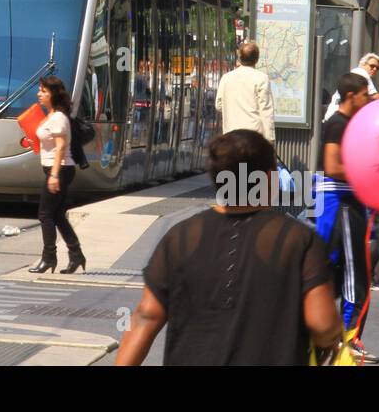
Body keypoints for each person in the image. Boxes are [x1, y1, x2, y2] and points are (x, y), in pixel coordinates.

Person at [116, 129, 343, 365]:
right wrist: (331, 337)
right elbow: (322, 323)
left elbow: (146, 316)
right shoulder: (300, 240)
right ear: (267, 177)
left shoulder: (179, 237)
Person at [314, 71, 377, 363]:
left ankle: (334, 338)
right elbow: (331, 165)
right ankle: (348, 341)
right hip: (339, 203)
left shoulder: (349, 124)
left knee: (335, 275)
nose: (368, 99)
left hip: (345, 202)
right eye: (365, 94)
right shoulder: (338, 125)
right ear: (352, 96)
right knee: (355, 277)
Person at [28, 76, 85, 275]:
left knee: (45, 214)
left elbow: (61, 147)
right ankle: (76, 255)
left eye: (43, 91)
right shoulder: (50, 115)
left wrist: (53, 176)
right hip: (55, 168)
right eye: (40, 90)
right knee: (58, 215)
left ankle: (49, 257)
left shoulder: (59, 117)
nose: (39, 94)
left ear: (53, 94)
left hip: (59, 169)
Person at [214, 41, 276, 143]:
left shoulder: (226, 78)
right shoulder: (261, 78)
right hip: (253, 137)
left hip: (231, 135)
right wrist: (270, 139)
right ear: (256, 59)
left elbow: (219, 105)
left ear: (240, 58)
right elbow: (266, 110)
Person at [323, 53, 379, 121]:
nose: (374, 69)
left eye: (377, 68)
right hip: (339, 119)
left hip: (334, 116)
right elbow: (375, 96)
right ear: (363, 64)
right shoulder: (362, 73)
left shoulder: (356, 73)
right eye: (372, 66)